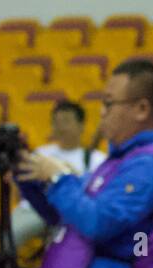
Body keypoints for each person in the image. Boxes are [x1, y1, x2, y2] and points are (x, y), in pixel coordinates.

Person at [16, 58, 153, 268]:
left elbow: (99, 222)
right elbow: (64, 215)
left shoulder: (147, 168)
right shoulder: (117, 162)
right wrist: (30, 176)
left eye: (108, 103)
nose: (102, 112)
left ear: (141, 109)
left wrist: (60, 179)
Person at [10, 100, 105, 253]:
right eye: (56, 122)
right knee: (9, 235)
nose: (60, 127)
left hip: (70, 212)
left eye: (66, 121)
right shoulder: (41, 153)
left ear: (81, 125)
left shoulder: (96, 158)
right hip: (34, 209)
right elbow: (22, 185)